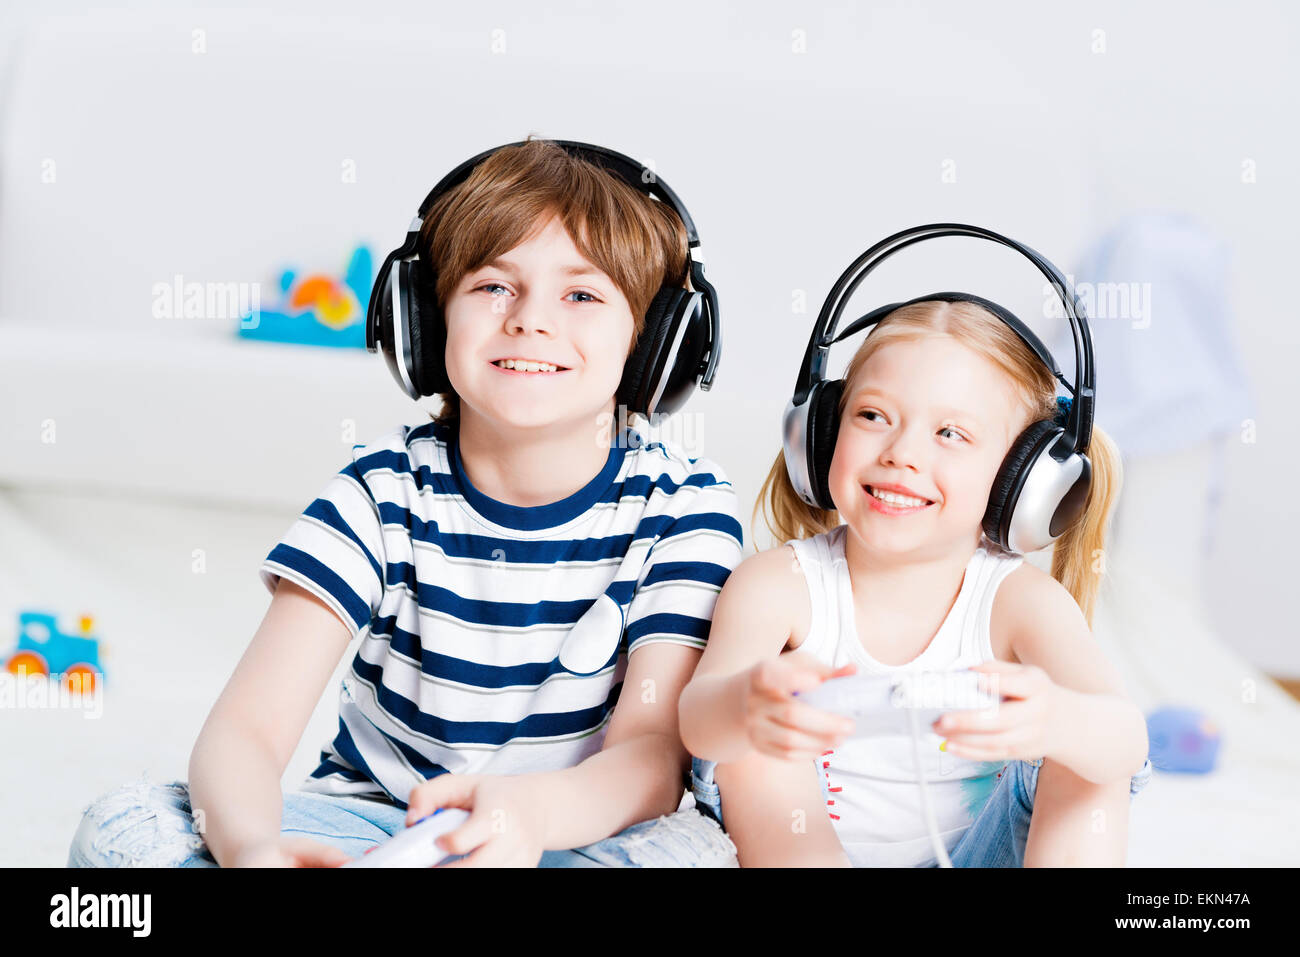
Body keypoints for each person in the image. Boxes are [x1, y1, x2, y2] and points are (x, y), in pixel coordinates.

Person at [68, 139, 742, 868]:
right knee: (125, 827)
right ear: (424, 320)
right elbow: (247, 730)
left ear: (657, 346)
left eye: (581, 294)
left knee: (694, 853)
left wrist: (523, 815)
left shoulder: (685, 509)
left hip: (573, 832)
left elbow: (649, 757)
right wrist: (255, 850)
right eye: (493, 286)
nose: (529, 320)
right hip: (380, 825)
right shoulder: (381, 489)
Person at [678, 296, 1152, 867]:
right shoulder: (777, 586)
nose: (901, 453)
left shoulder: (1021, 603)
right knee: (754, 734)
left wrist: (1055, 720)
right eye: (873, 416)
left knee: (1089, 755)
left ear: (1020, 480)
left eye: (950, 433)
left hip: (979, 855)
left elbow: (1128, 739)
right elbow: (697, 725)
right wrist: (745, 704)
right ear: (822, 432)